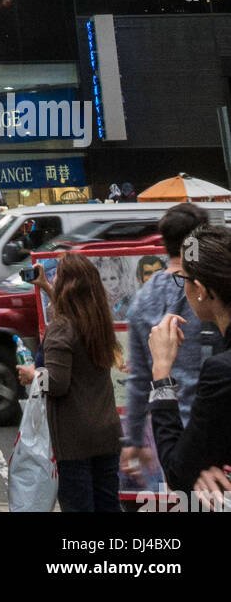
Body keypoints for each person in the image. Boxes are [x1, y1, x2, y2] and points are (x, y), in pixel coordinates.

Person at [18, 253, 122, 512]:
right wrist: (46, 287)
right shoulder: (99, 322)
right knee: (107, 504)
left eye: (57, 277)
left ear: (67, 286)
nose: (53, 279)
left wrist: (33, 376)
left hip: (74, 438)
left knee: (79, 506)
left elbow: (57, 383)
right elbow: (74, 312)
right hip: (106, 431)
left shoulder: (61, 328)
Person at [123, 203, 212, 484]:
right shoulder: (211, 293)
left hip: (167, 432)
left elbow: (139, 378)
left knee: (179, 498)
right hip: (213, 428)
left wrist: (134, 439)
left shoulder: (142, 300)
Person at [147, 225, 231, 501]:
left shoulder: (221, 371)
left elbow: (177, 472)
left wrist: (161, 371)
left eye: (182, 278)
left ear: (201, 290)